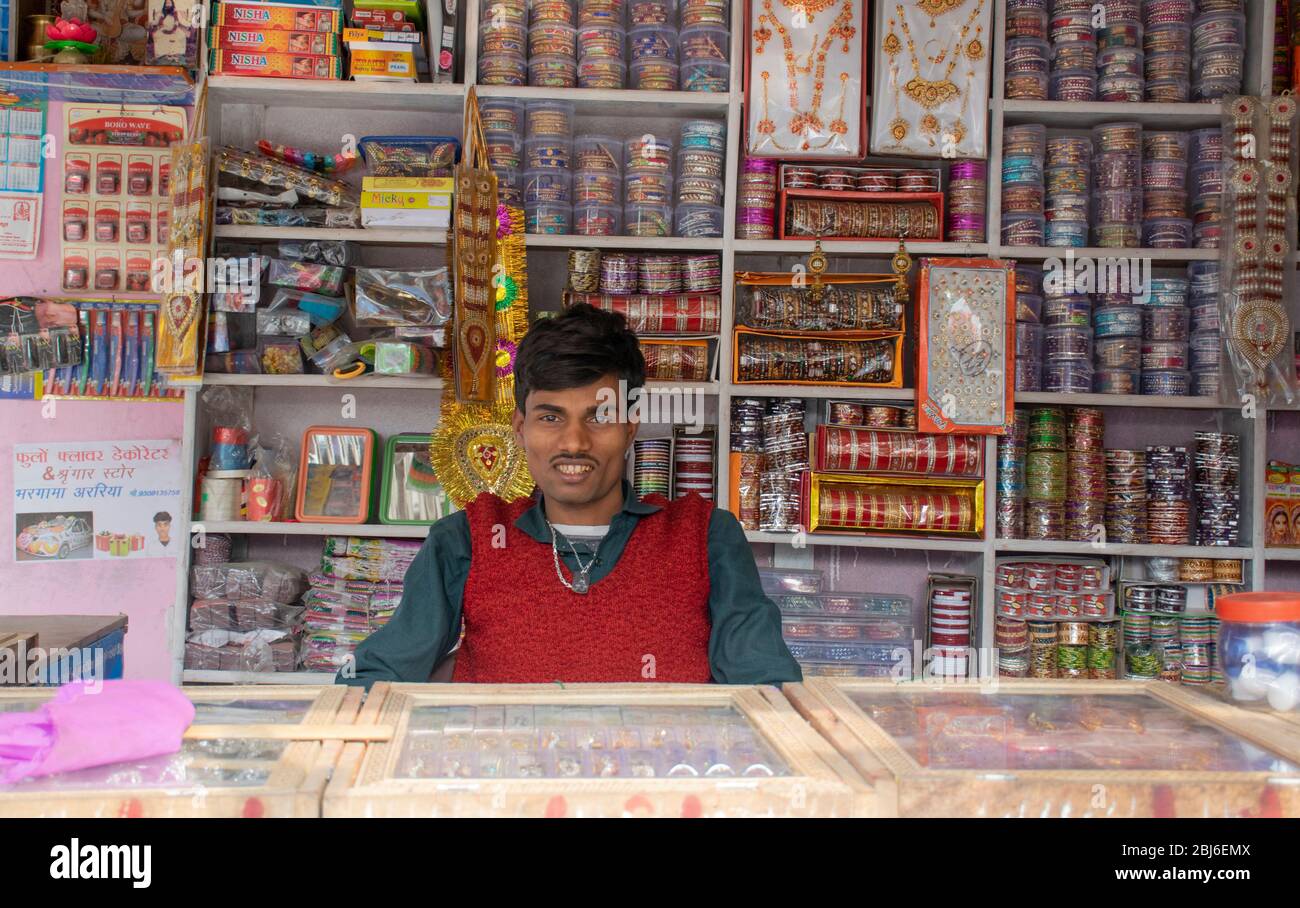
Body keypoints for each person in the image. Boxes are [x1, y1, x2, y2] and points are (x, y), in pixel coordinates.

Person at [340, 304, 801, 688]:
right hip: (509, 793)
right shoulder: (468, 539)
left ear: (629, 426)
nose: (574, 443)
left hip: (660, 794)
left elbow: (765, 688)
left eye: (599, 416)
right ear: (521, 428)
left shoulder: (705, 537)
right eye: (550, 417)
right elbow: (374, 678)